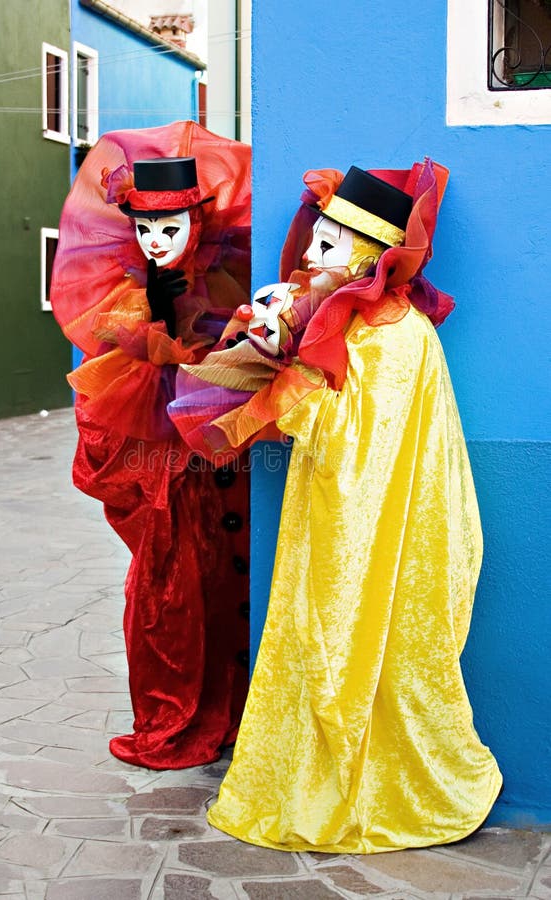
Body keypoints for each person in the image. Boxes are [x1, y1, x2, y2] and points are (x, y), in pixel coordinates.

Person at [169, 160, 503, 850]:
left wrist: (279, 372)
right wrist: (269, 348)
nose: (309, 256)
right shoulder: (349, 322)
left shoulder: (395, 335)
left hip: (371, 534)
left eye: (328, 245)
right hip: (328, 515)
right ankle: (300, 776)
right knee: (313, 636)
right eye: (315, 238)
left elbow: (359, 439)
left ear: (369, 258)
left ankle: (372, 785)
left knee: (351, 643)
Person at [51, 122, 252, 769]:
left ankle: (235, 707)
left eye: (170, 230)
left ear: (198, 225)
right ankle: (174, 710)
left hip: (223, 472)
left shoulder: (227, 287)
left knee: (230, 590)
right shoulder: (122, 301)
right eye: (144, 231)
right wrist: (154, 328)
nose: (156, 243)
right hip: (164, 476)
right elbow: (111, 403)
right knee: (169, 590)